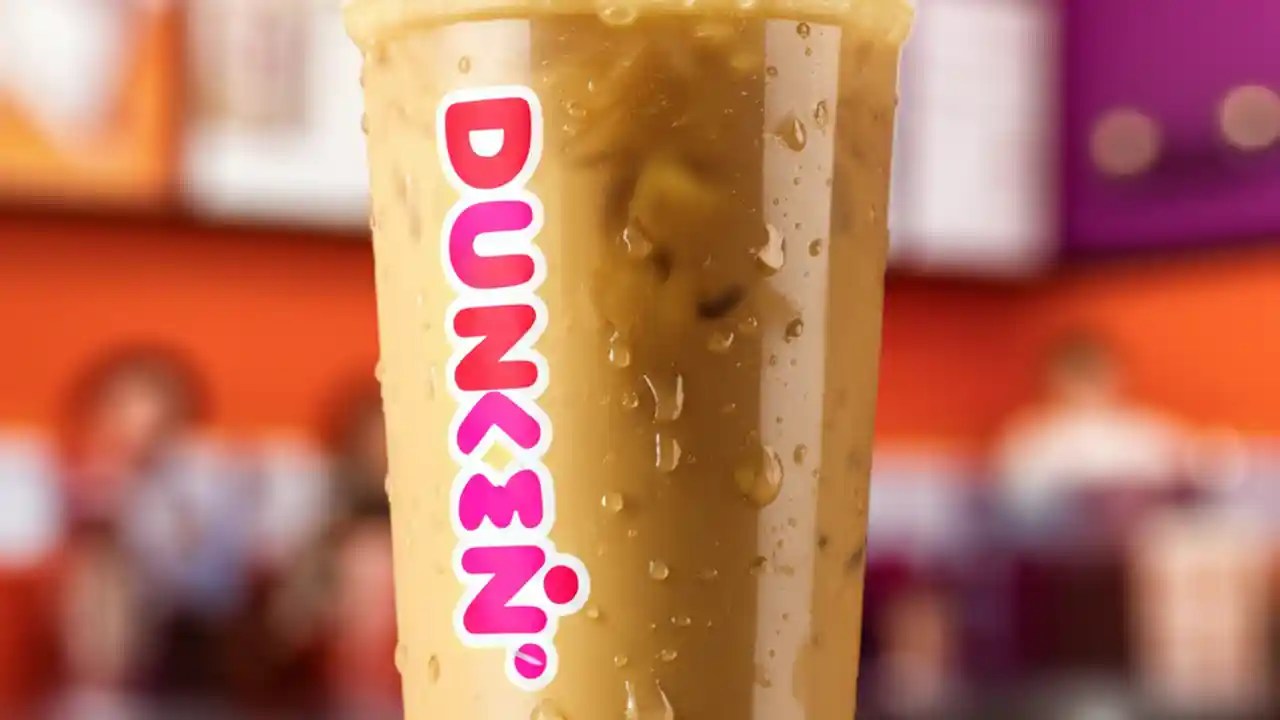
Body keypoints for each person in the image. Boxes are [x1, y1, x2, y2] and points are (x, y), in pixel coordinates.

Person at [52, 345, 251, 716]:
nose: (135, 427)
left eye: (155, 414)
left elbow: (214, 586)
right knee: (101, 567)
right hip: (87, 650)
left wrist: (139, 517)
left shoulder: (205, 482)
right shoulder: (62, 475)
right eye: (119, 409)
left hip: (185, 638)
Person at [994, 331, 1193, 526]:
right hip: (1064, 544)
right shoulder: (1030, 437)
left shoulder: (1150, 429)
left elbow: (1189, 477)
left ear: (1118, 374)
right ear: (1051, 378)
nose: (1087, 383)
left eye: (1095, 371)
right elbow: (1017, 508)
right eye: (1076, 372)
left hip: (1150, 538)